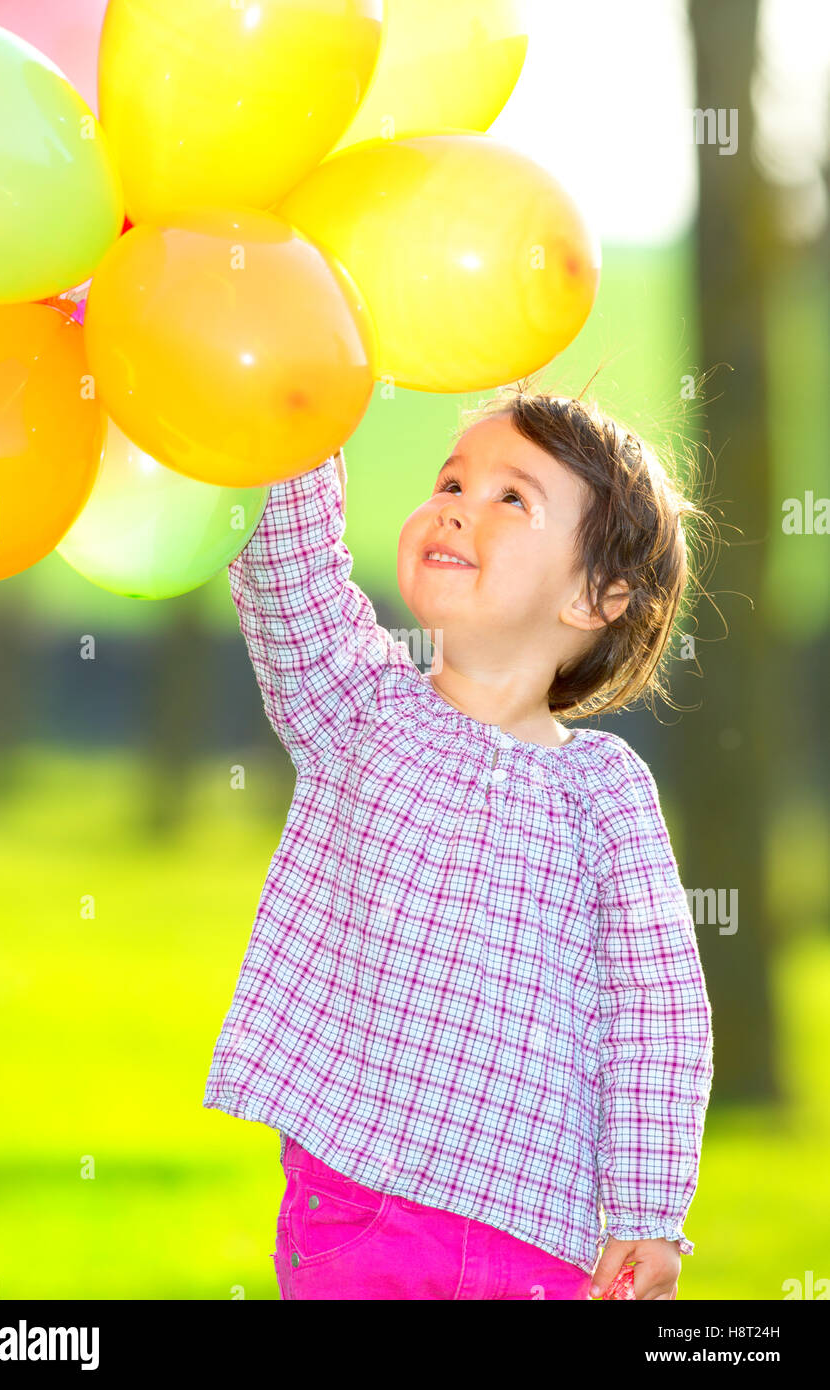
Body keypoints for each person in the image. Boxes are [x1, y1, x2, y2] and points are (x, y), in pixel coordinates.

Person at [202, 380, 715, 1300]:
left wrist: (645, 1212)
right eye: (448, 484)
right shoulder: (356, 705)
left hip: (540, 1240)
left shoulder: (607, 795)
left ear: (598, 595)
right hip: (360, 1206)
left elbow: (657, 1016)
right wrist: (292, 393)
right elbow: (292, 572)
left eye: (510, 497)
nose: (454, 510)